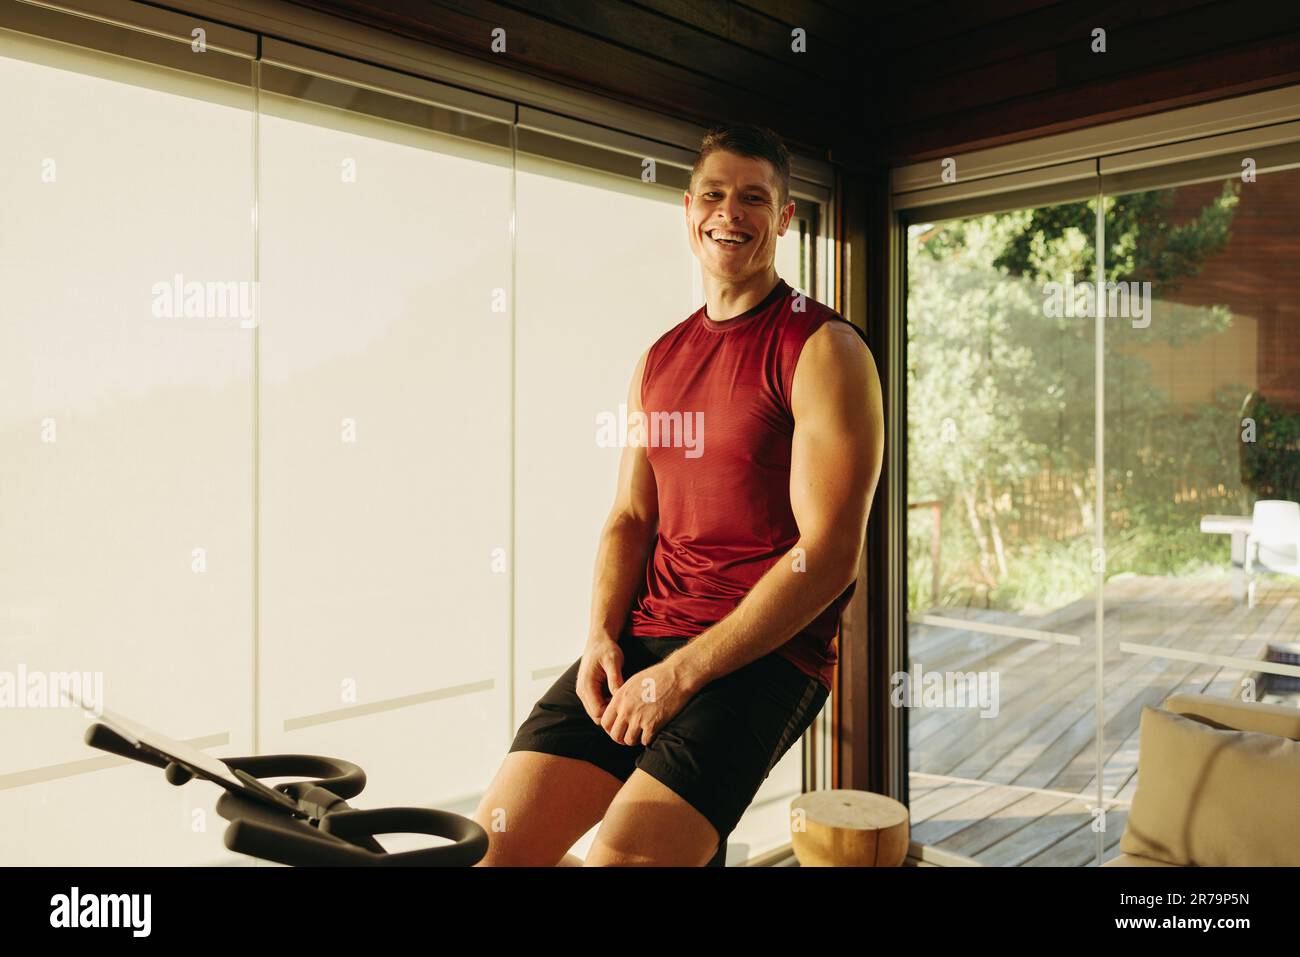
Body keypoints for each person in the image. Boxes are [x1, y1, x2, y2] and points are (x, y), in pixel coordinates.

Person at [472, 122, 884, 866]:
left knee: (624, 857)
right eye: (715, 194)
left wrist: (683, 674)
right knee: (493, 847)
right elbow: (631, 516)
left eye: (754, 198)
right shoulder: (660, 358)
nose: (731, 212)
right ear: (689, 209)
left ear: (785, 218)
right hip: (642, 640)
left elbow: (828, 556)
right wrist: (600, 635)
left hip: (764, 656)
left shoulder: (824, 349)